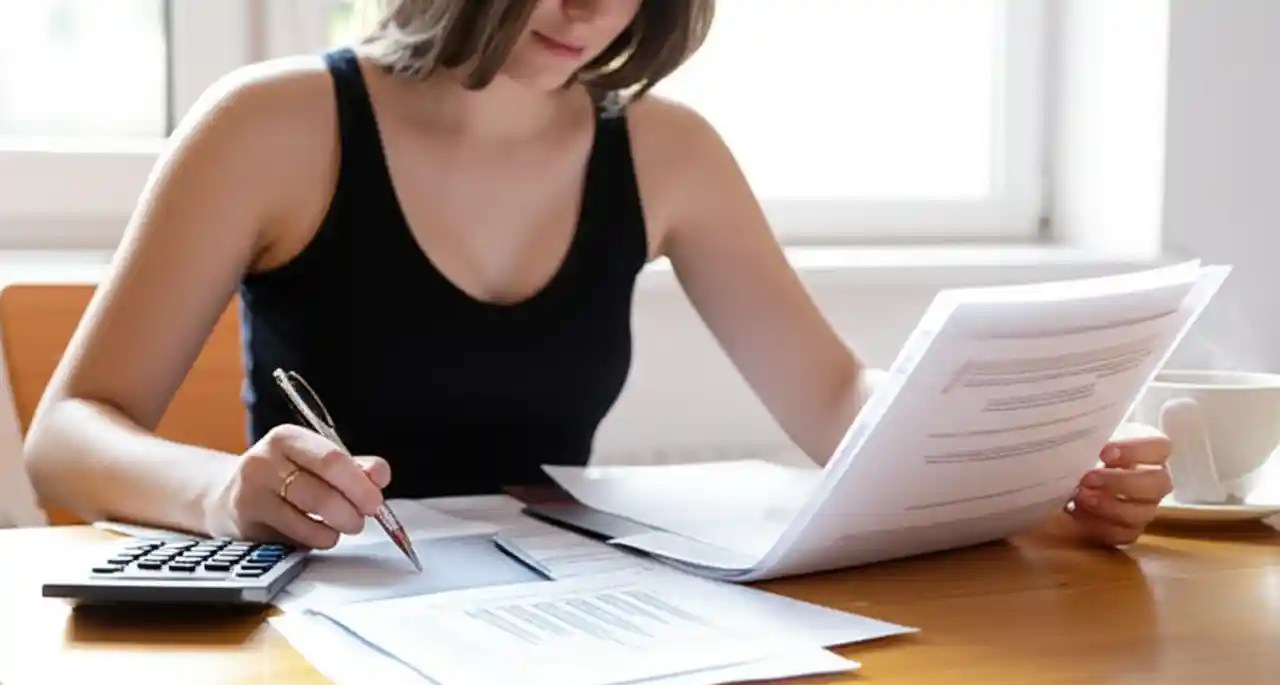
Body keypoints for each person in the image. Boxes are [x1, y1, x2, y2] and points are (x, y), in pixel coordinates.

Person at [24, 0, 1171, 550]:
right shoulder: (270, 127)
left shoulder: (665, 148)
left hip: (563, 630)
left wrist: (1031, 459)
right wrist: (224, 493)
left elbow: (832, 402)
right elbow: (70, 431)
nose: (592, 7)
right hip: (326, 635)